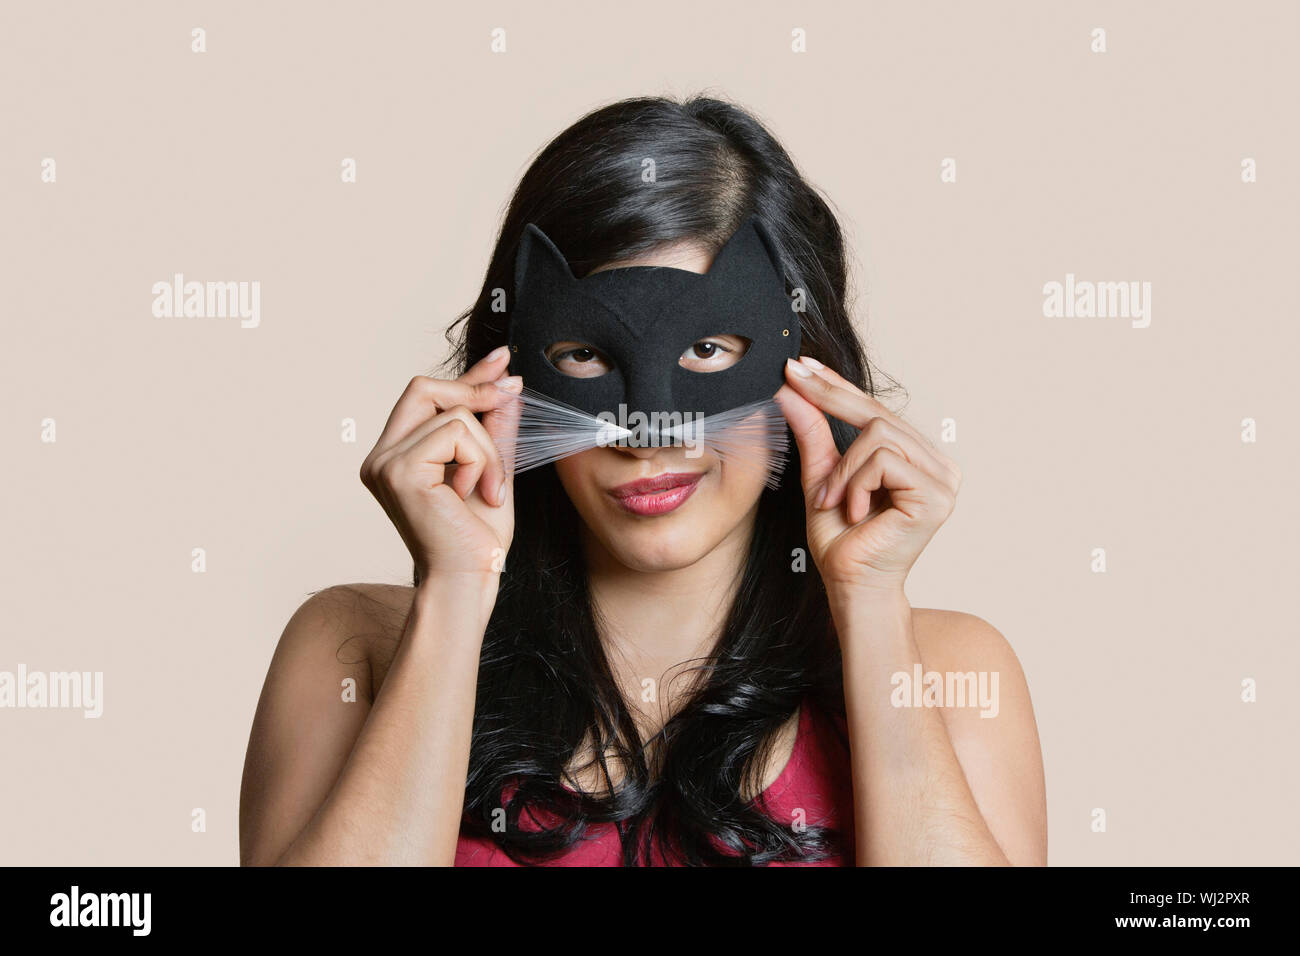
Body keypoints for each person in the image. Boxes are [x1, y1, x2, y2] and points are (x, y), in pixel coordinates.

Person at [239, 94, 1047, 866]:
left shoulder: (945, 673)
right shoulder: (355, 651)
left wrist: (869, 604)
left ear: (807, 369)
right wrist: (456, 589)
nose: (647, 431)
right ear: (512, 368)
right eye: (586, 356)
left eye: (708, 353)